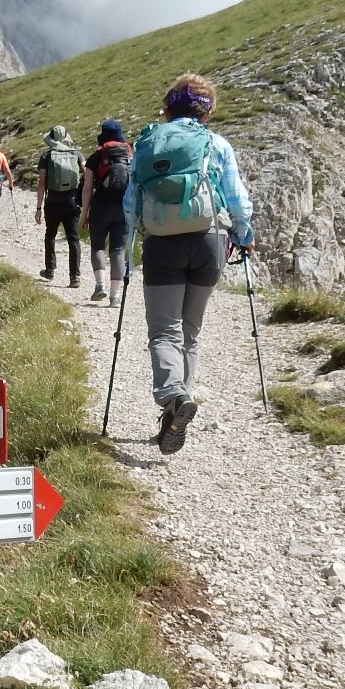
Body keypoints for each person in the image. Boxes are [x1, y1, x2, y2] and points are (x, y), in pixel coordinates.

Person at [125, 74, 255, 456]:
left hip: (162, 245)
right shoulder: (216, 144)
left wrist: (133, 235)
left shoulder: (148, 143)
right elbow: (238, 201)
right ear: (207, 111)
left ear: (167, 108)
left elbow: (131, 203)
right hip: (209, 241)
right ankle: (177, 408)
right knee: (190, 331)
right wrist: (244, 236)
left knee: (164, 331)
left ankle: (172, 396)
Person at [79, 120, 132, 305]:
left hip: (100, 206)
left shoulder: (96, 157)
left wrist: (84, 214)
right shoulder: (129, 156)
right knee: (118, 251)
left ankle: (100, 285)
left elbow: (87, 188)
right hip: (123, 208)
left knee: (98, 246)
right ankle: (115, 296)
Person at [34, 125, 84, 287]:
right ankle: (74, 277)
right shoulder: (76, 153)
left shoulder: (46, 156)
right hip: (72, 201)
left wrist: (39, 208)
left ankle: (50, 270)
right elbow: (87, 175)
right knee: (73, 239)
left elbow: (42, 183)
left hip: (53, 201)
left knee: (50, 235)